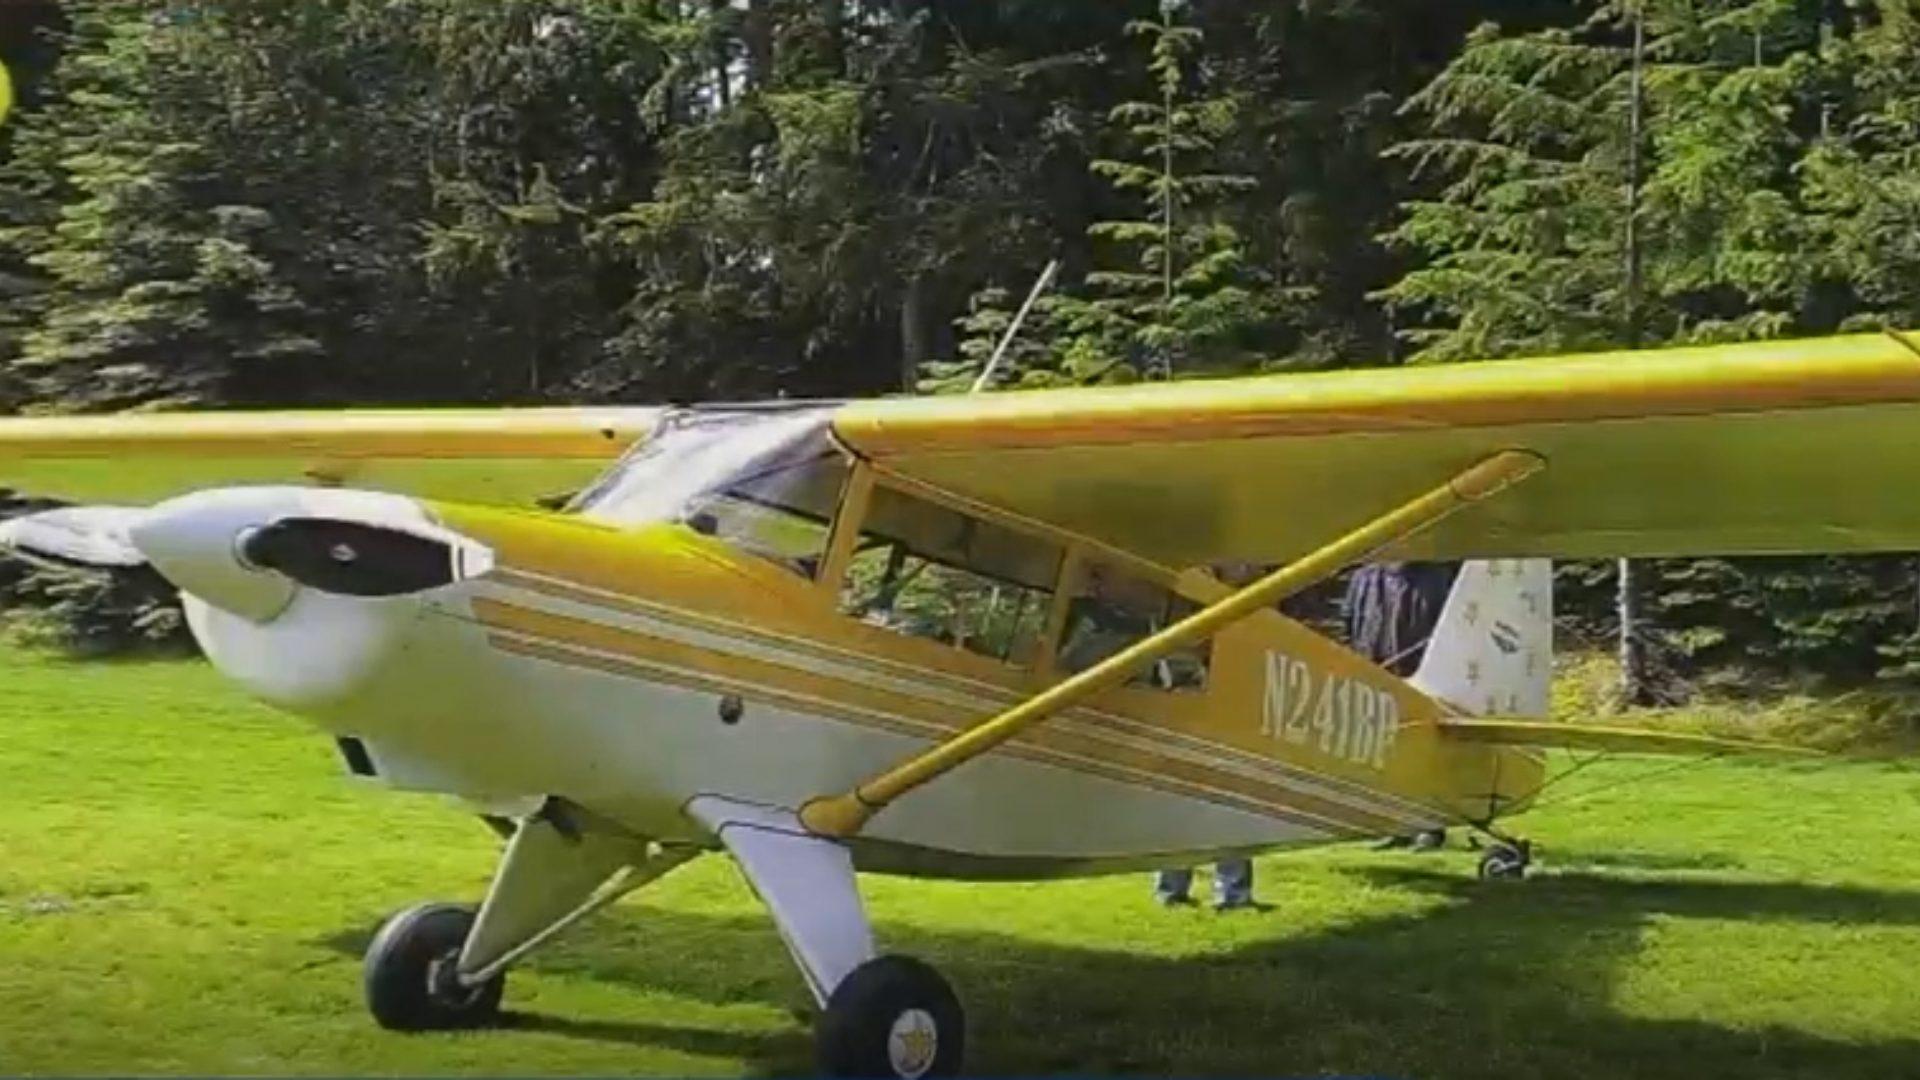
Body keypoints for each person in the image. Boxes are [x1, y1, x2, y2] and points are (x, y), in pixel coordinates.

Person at [1058, 561, 1268, 912]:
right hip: (1179, 716)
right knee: (1182, 806)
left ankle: (1227, 893)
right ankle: (1182, 890)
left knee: (1223, 804)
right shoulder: (1132, 621)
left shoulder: (1231, 619)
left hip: (1215, 715)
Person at [1344, 560, 1459, 851]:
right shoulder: (1365, 577)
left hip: (1420, 677)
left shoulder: (1435, 577)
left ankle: (1429, 826)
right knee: (1384, 754)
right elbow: (1350, 621)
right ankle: (1393, 823)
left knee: (1424, 752)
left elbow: (1452, 629)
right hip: (1376, 676)